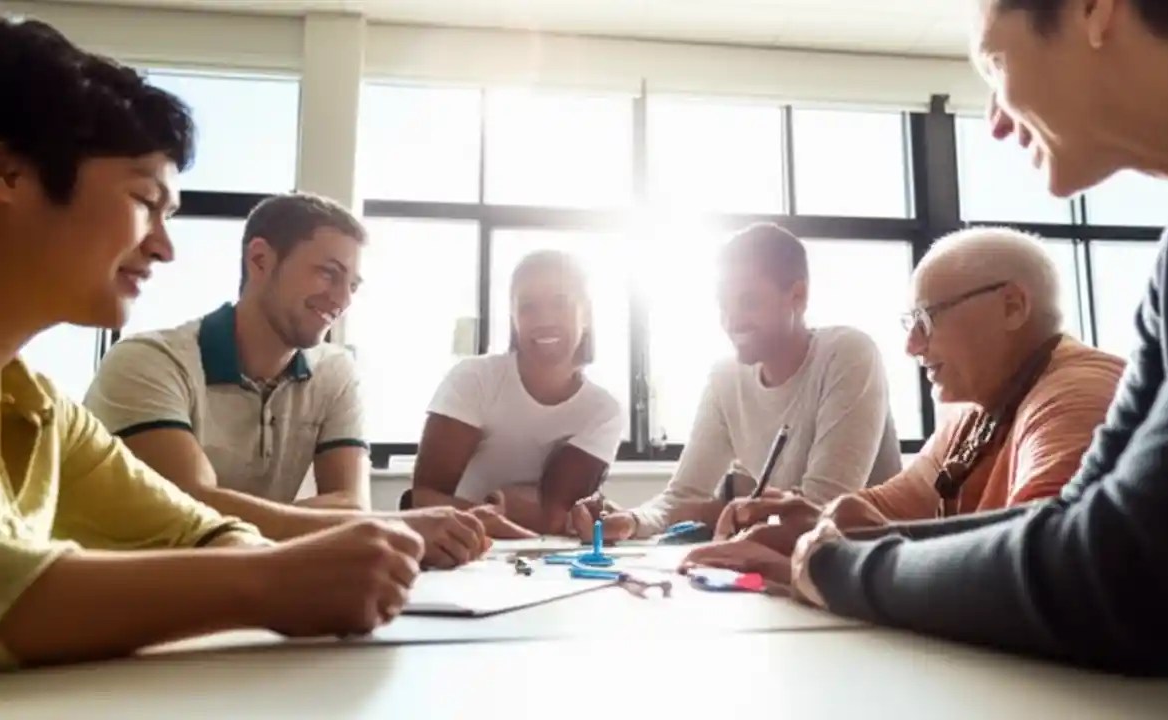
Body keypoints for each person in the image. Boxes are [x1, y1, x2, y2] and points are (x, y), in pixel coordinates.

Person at [732, 0, 1168, 676]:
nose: (992, 121)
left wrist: (841, 566)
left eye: (996, 63)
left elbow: (1137, 572)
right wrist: (842, 542)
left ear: (1095, 11)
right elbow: (1086, 515)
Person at [0, 16, 425, 669]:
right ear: (9, 174)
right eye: (145, 200)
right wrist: (274, 583)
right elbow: (18, 595)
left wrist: (292, 568)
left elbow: (193, 526)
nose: (165, 247)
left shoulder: (41, 410)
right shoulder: (149, 360)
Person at [684, 227, 1125, 572]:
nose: (912, 346)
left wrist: (829, 567)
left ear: (1012, 306)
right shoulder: (975, 414)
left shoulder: (1076, 392)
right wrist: (814, 522)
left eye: (927, 319)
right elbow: (883, 510)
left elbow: (1042, 556)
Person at [83, 193, 489, 567]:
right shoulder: (147, 362)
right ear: (259, 260)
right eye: (329, 274)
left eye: (352, 285)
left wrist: (252, 516)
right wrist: (395, 526)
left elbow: (352, 506)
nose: (342, 299)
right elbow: (188, 511)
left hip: (249, 591)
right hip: (124, 605)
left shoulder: (335, 371)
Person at [573, 222, 902, 542]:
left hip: (869, 562)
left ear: (798, 297)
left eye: (748, 302)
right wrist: (631, 521)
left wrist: (727, 522)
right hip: (794, 563)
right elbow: (683, 494)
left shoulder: (848, 355)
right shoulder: (725, 379)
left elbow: (822, 507)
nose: (731, 321)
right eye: (723, 304)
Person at [408, 250, 626, 537]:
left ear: (585, 314)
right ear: (513, 318)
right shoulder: (475, 379)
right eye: (528, 306)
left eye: (560, 303)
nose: (544, 318)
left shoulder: (604, 411)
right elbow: (423, 498)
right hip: (462, 545)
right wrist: (499, 519)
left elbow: (556, 514)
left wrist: (505, 507)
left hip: (551, 561)